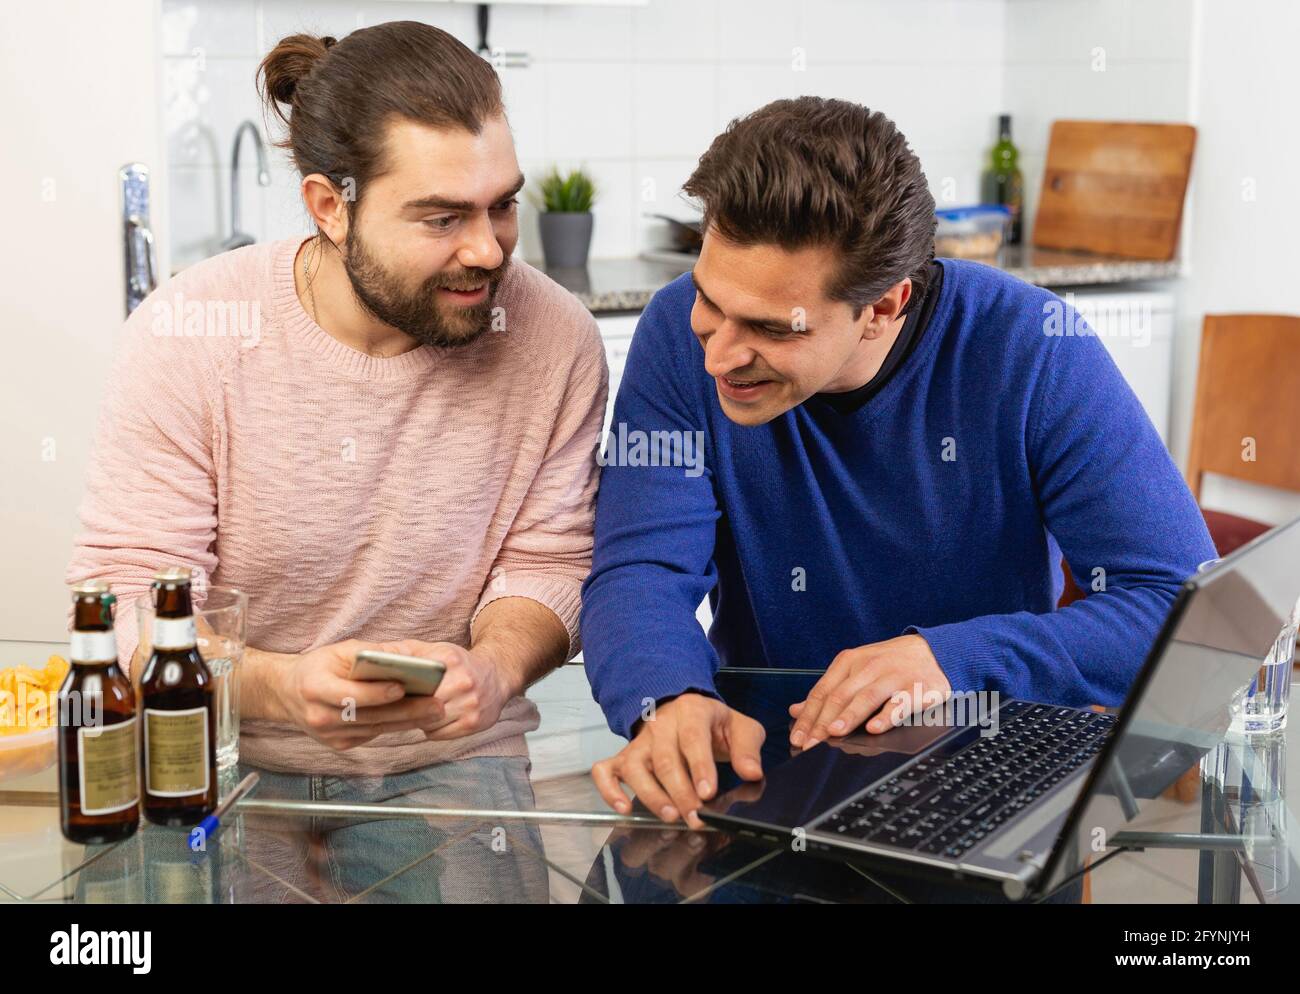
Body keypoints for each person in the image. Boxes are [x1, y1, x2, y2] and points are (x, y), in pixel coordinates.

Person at [581, 96, 1215, 829]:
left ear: (884, 307)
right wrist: (668, 698)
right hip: (767, 783)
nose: (717, 352)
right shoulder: (674, 335)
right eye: (708, 300)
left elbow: (1177, 603)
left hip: (991, 777)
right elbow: (642, 568)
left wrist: (950, 658)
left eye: (767, 327)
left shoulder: (1036, 348)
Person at [67, 22, 607, 790]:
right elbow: (125, 606)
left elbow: (549, 562)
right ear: (330, 206)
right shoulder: (188, 331)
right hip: (225, 754)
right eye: (443, 218)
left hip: (452, 755)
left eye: (502, 206)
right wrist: (283, 688)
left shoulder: (556, 339)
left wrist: (491, 669)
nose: (488, 250)